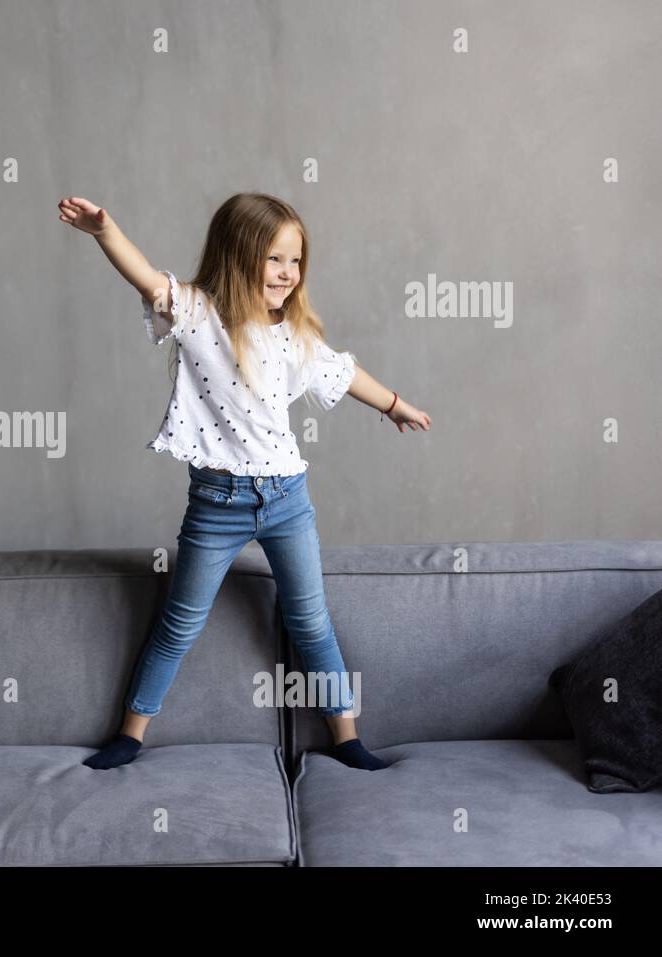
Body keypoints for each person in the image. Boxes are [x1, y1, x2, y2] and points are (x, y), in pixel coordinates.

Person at [57, 192, 432, 771]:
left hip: (287, 500)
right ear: (239, 255)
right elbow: (146, 279)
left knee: (311, 621)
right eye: (275, 259)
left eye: (296, 261)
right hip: (216, 504)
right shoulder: (197, 314)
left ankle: (347, 738)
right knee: (180, 624)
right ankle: (129, 736)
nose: (288, 273)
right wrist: (106, 231)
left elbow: (345, 372)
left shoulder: (295, 333)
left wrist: (395, 404)